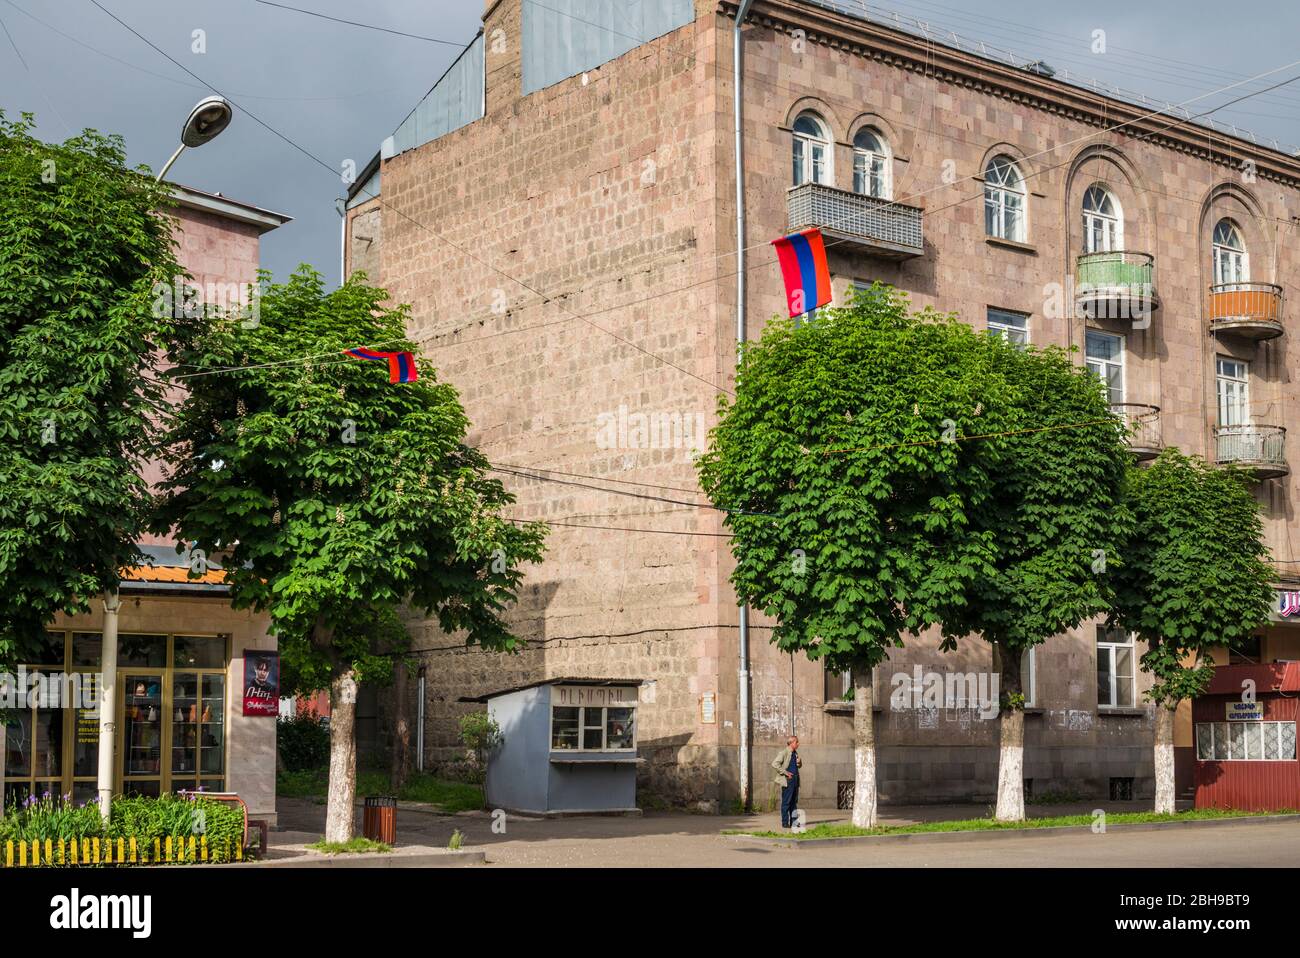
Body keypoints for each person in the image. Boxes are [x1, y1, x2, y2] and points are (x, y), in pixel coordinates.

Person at [771, 734, 802, 829]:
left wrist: (799, 762)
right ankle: (785, 822)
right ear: (791, 743)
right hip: (788, 780)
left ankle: (794, 822)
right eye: (796, 742)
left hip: (795, 780)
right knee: (786, 802)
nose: (798, 744)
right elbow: (775, 764)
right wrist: (785, 772)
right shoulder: (784, 752)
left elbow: (798, 766)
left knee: (794, 802)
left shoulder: (795, 753)